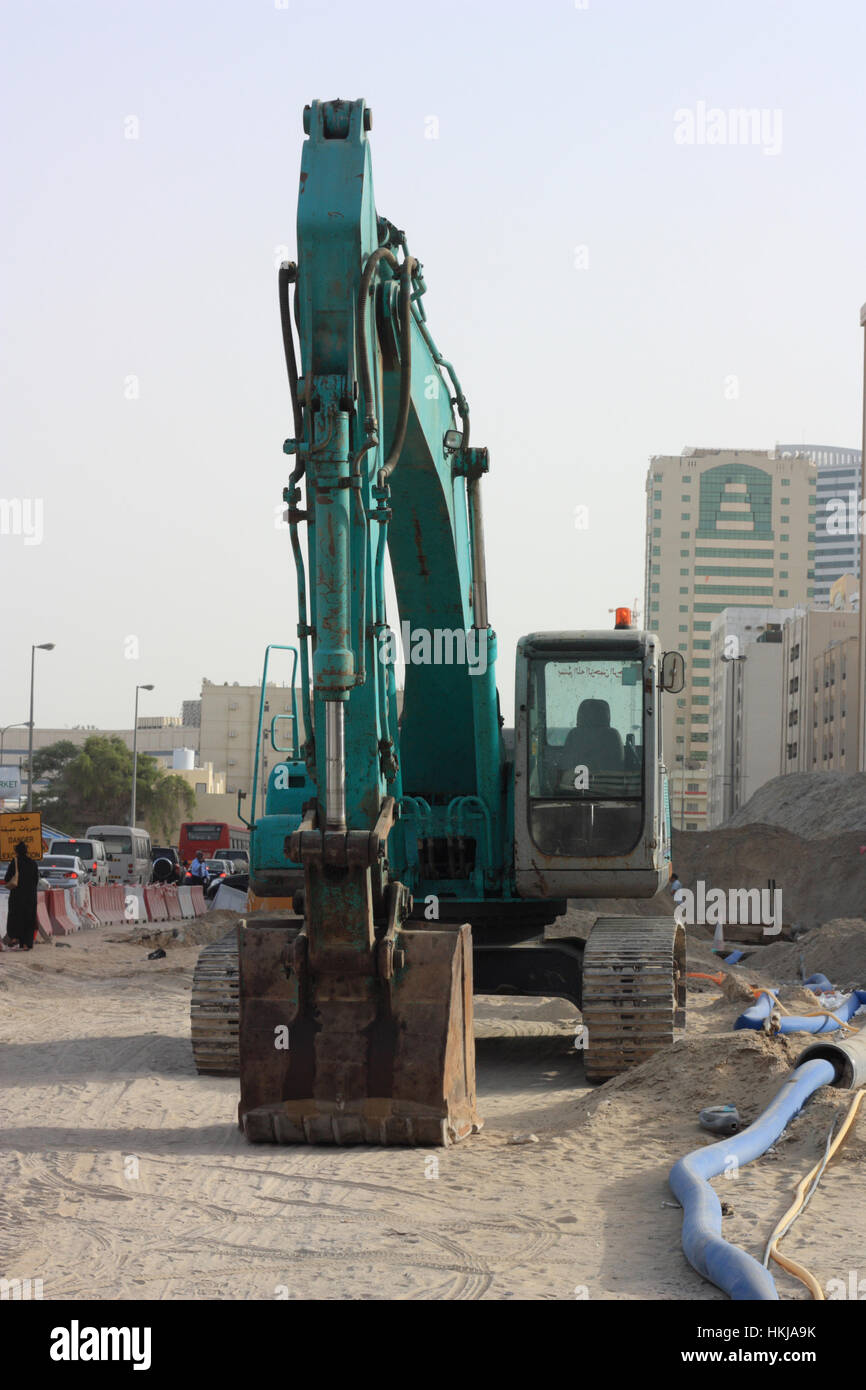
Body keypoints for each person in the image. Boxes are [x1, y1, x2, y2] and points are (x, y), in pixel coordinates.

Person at [4, 841, 39, 951]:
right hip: (30, 896)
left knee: (15, 916)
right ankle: (25, 944)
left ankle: (14, 937)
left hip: (17, 896)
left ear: (16, 851)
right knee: (29, 919)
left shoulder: (14, 862)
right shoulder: (33, 863)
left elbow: (7, 878)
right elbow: (36, 880)